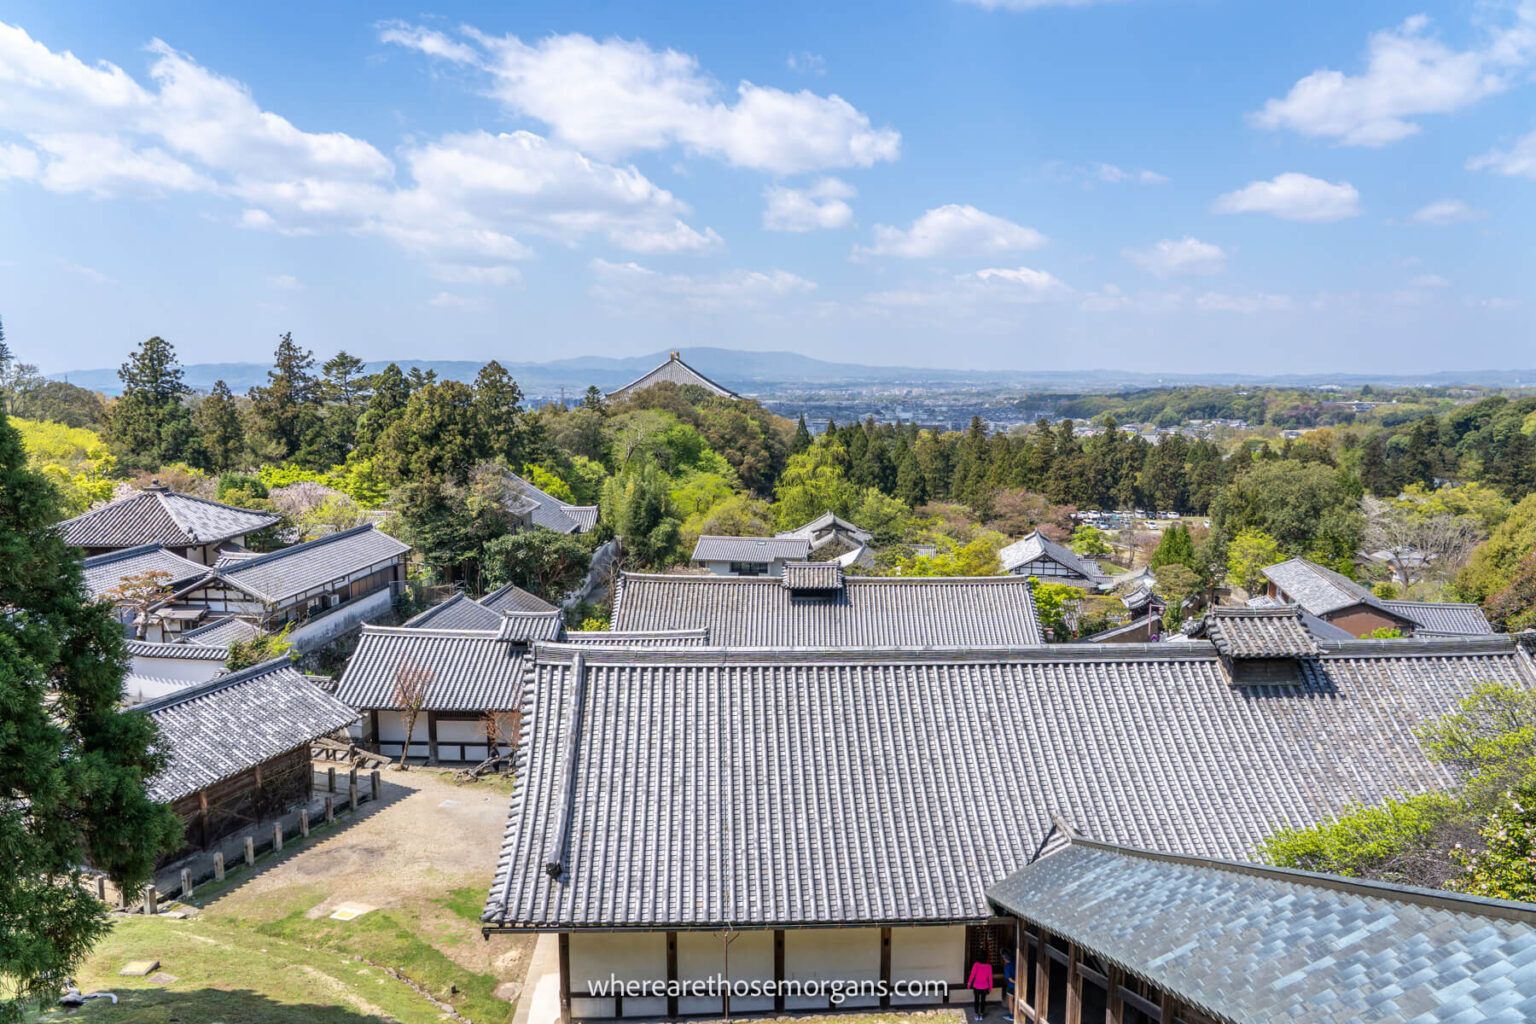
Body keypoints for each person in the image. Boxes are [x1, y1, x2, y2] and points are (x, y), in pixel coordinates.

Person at [1002, 951, 1016, 1015]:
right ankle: (1016, 1014)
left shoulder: (1007, 967)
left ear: (1005, 959)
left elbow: (1010, 979)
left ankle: (1011, 1015)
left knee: (1011, 1000)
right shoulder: (1014, 962)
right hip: (1017, 986)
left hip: (1011, 986)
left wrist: (1016, 983)